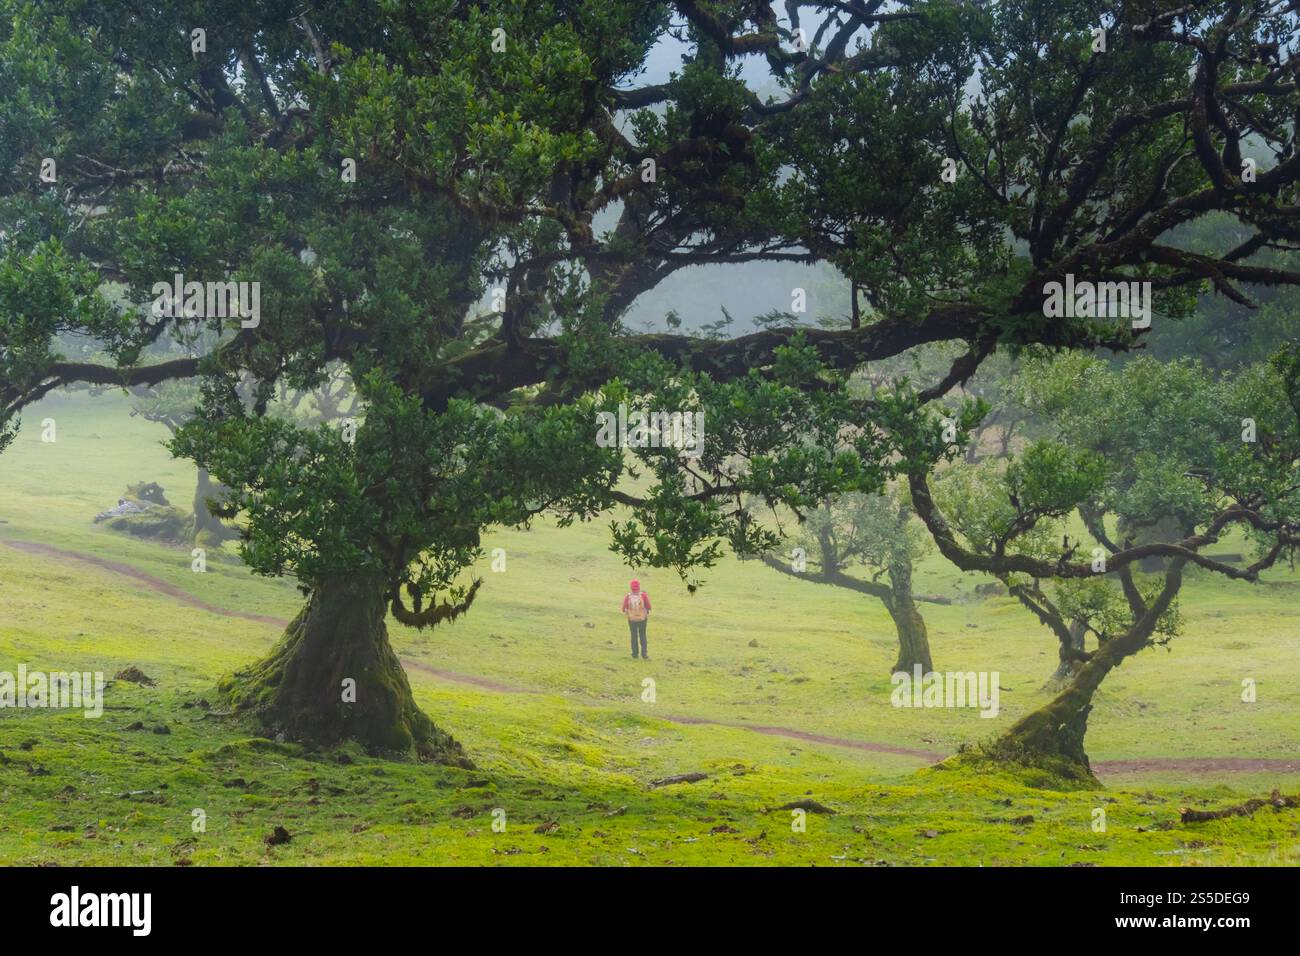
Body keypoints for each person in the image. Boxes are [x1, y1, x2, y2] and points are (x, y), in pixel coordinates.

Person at [622, 579, 651, 659]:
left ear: (631, 587)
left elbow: (623, 608)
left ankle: (635, 654)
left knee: (633, 636)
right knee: (643, 635)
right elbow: (649, 606)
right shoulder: (643, 596)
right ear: (639, 587)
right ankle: (644, 654)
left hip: (631, 619)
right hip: (642, 619)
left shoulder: (628, 596)